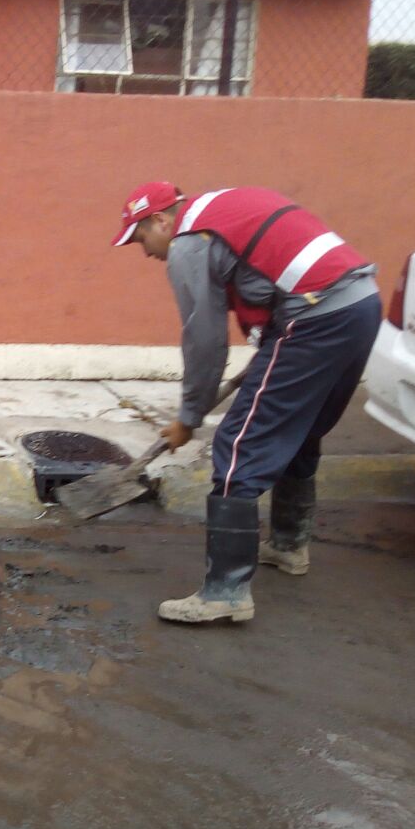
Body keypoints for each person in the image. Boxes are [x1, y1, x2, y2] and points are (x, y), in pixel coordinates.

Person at [112, 182, 381, 624]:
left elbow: (205, 341)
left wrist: (189, 417)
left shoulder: (189, 242)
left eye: (141, 238)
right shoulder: (221, 209)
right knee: (300, 428)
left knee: (238, 443)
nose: (145, 252)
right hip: (358, 304)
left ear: (161, 220)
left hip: (314, 317)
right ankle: (290, 545)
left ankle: (225, 592)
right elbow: (270, 275)